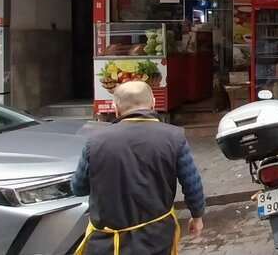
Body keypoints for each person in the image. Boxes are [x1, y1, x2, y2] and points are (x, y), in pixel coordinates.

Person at [71, 81, 205, 255]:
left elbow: (78, 187)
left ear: (115, 108)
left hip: (107, 243)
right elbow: (192, 184)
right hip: (156, 237)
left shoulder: (94, 141)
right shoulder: (174, 137)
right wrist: (197, 216)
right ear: (153, 103)